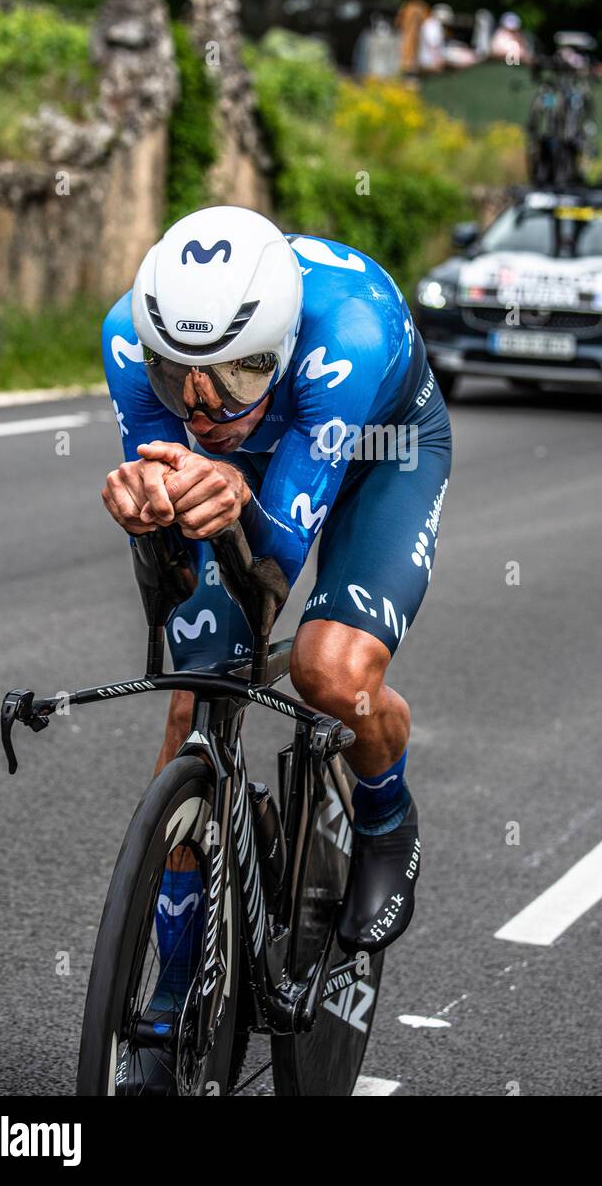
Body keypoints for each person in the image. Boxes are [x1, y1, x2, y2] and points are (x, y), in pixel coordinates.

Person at [101, 206, 451, 993]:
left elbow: (273, 563)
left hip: (377, 450)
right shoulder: (127, 336)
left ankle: (385, 814)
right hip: (253, 472)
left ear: (283, 346)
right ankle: (171, 989)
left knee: (329, 671)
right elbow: (173, 549)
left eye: (239, 375)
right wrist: (145, 511)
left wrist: (229, 489)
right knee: (196, 699)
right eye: (175, 377)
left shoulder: (349, 336)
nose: (202, 410)